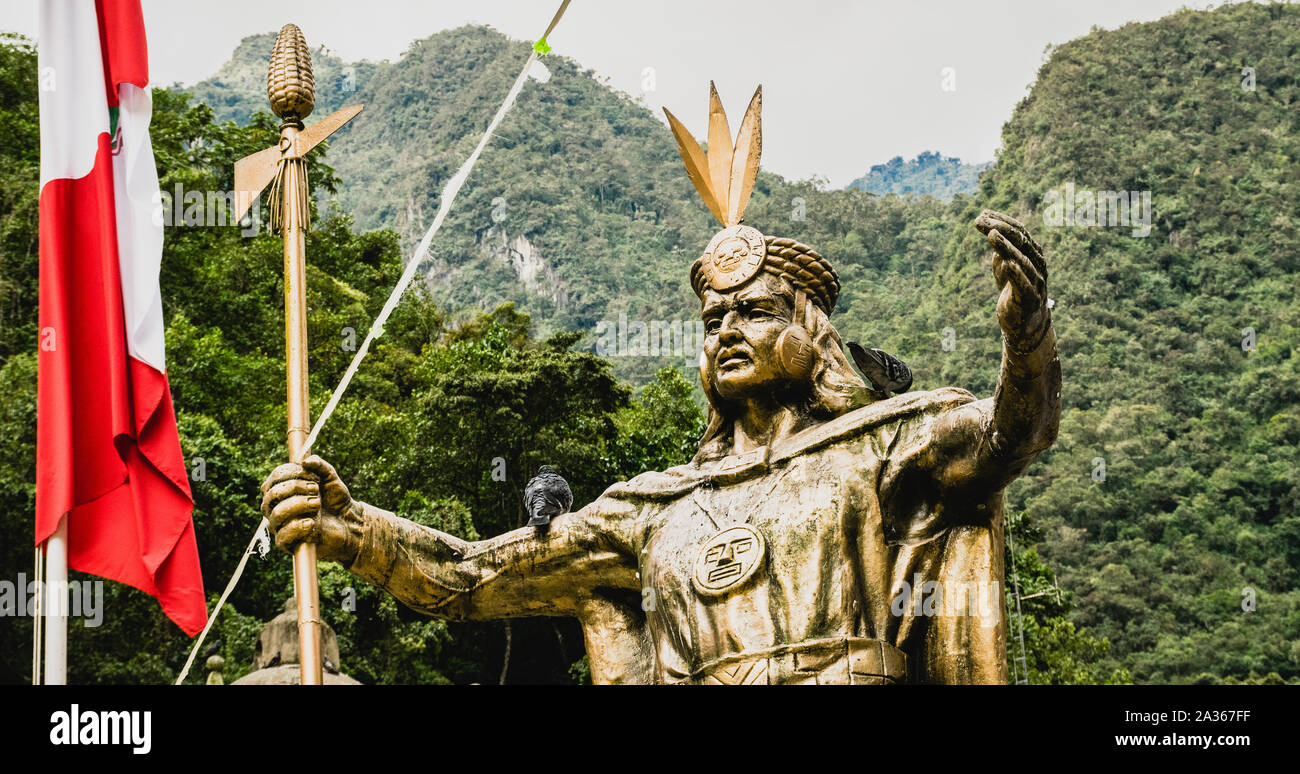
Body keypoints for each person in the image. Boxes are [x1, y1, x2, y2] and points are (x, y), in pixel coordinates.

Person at [260, 86, 1060, 684]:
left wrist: (1024, 337)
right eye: (714, 321)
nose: (728, 331)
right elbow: (467, 579)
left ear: (810, 331)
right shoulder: (651, 508)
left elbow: (1011, 438)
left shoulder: (882, 444)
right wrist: (350, 529)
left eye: (754, 311)